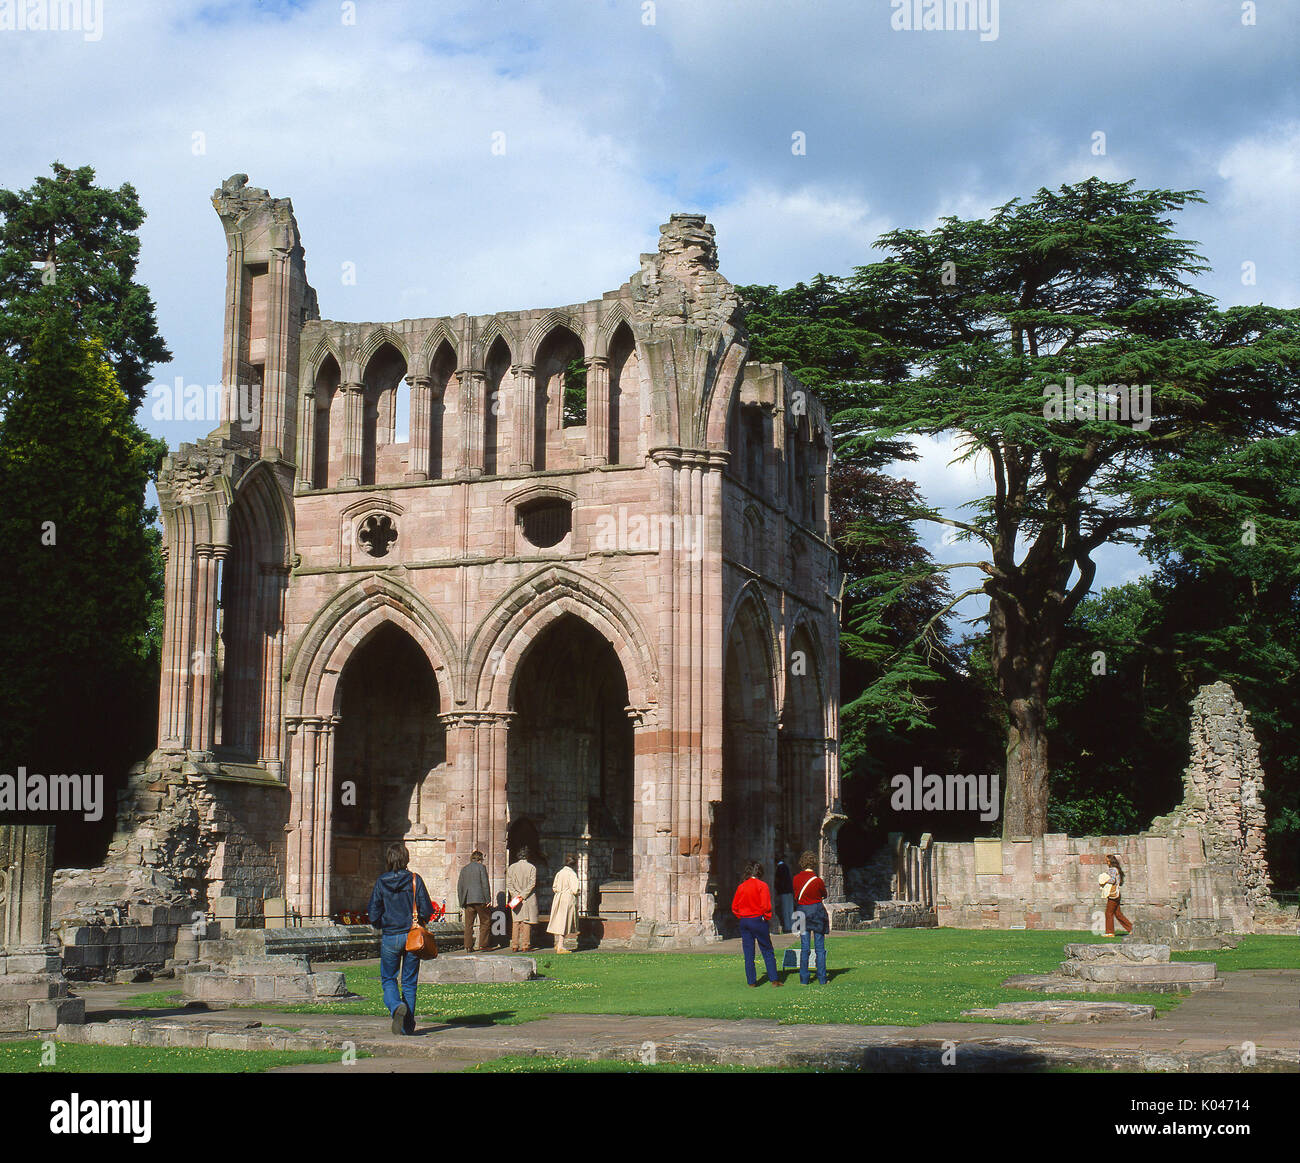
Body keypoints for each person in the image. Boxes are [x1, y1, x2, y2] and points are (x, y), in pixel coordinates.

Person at [368, 841, 434, 1036]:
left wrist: (383, 923)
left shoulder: (381, 881)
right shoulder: (415, 880)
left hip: (390, 935)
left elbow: (373, 912)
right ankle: (407, 1026)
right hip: (412, 935)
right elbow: (427, 909)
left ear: (388, 859)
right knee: (409, 982)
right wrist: (419, 920)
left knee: (388, 978)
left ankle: (396, 1005)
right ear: (406, 859)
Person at [731, 860, 781, 988]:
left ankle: (751, 982)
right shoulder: (762, 885)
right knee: (767, 949)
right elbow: (766, 906)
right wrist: (766, 917)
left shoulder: (741, 886)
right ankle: (774, 979)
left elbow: (735, 907)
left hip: (745, 921)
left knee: (748, 952)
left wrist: (742, 916)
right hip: (758, 920)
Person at [791, 850, 828, 985]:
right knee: (819, 948)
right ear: (814, 864)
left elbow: (795, 895)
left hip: (801, 912)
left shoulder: (796, 879)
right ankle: (822, 978)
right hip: (817, 912)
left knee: (804, 947)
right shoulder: (817, 880)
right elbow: (824, 894)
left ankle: (804, 979)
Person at [458, 849, 492, 952]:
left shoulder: (464, 869)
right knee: (485, 921)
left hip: (468, 900)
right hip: (480, 899)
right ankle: (483, 945)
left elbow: (460, 886)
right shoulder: (481, 867)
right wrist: (488, 899)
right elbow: (485, 884)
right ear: (480, 859)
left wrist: (461, 901)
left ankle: (468, 946)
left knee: (468, 924)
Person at [547, 853, 581, 953]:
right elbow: (575, 889)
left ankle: (559, 944)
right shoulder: (572, 874)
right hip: (567, 898)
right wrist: (577, 892)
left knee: (560, 921)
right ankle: (561, 946)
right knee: (564, 922)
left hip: (558, 897)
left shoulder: (560, 872)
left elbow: (554, 887)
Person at [507, 845, 539, 951]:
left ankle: (515, 945)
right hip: (528, 898)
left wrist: (516, 895)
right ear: (527, 856)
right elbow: (532, 883)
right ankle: (525, 945)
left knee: (516, 922)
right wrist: (523, 895)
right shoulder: (531, 867)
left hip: (516, 898)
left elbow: (509, 884)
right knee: (526, 922)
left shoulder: (511, 867)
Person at [1100, 854, 1133, 936]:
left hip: (1113, 894)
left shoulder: (1112, 869)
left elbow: (1112, 880)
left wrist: (1104, 881)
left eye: (1107, 861)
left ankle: (1110, 932)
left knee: (1108, 913)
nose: (1106, 862)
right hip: (1117, 893)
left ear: (1110, 861)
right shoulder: (1116, 869)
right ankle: (1131, 929)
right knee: (1118, 914)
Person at [774, 859, 795, 933]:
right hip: (789, 891)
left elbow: (778, 881)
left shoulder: (780, 868)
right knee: (790, 909)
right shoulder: (786, 867)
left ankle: (787, 927)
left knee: (785, 910)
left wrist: (777, 890)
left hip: (784, 891)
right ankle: (792, 925)